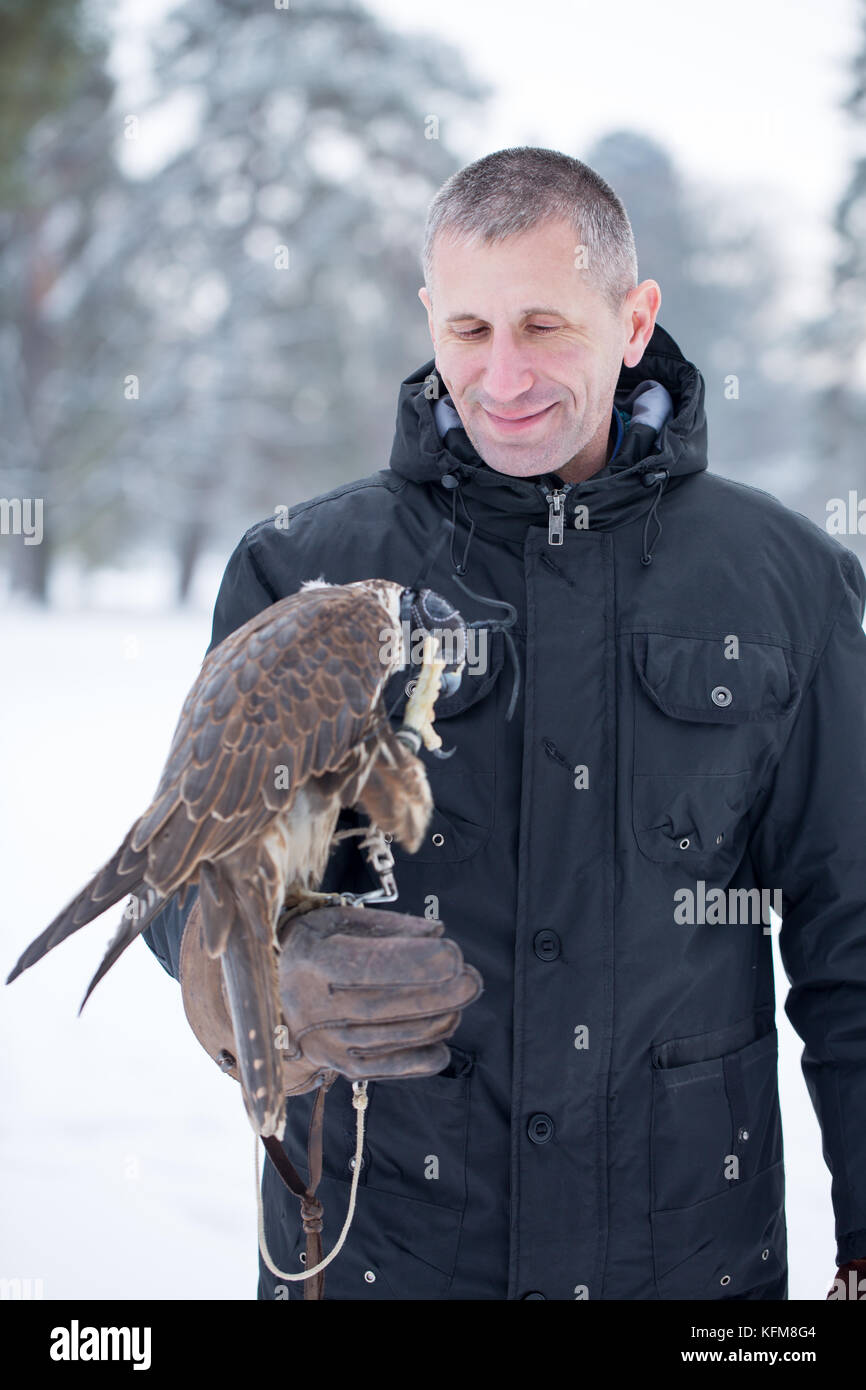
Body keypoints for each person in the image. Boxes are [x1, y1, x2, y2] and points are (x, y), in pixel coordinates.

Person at [144, 146, 866, 1301]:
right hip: (380, 1247)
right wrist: (270, 977)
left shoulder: (785, 581)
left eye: (544, 325)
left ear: (634, 321)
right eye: (469, 329)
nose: (503, 374)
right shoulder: (303, 573)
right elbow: (182, 875)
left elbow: (851, 934)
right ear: (426, 315)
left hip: (683, 1263)